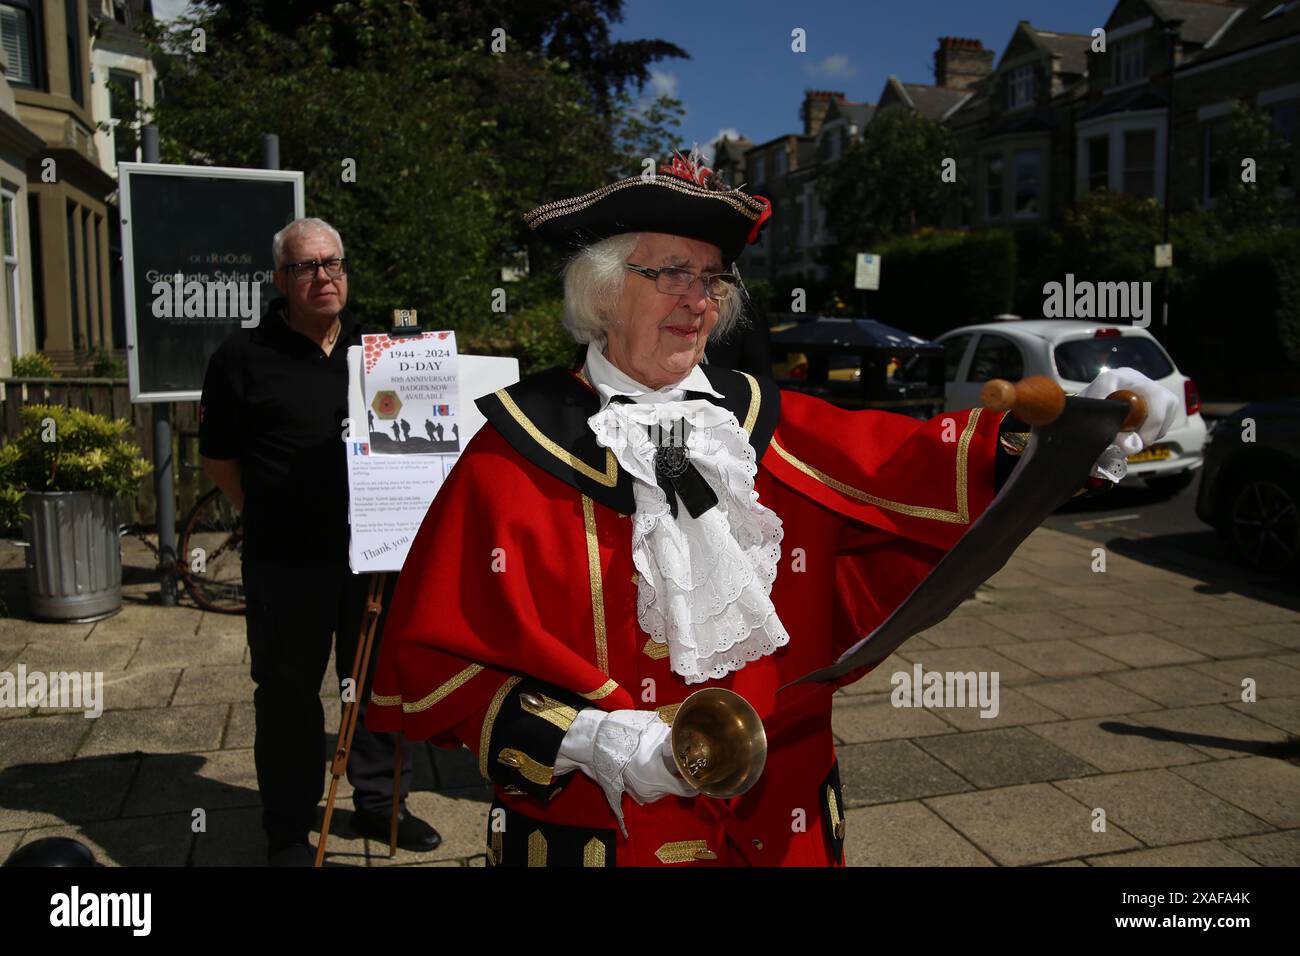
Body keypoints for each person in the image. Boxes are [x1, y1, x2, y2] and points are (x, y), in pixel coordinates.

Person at [366, 153, 1178, 866]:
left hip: (781, 825)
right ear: (604, 293)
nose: (698, 300)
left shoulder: (756, 421)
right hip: (601, 836)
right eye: (671, 274)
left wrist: (1062, 435)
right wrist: (600, 741)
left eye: (713, 278)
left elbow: (909, 463)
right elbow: (442, 665)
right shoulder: (517, 445)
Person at [199, 217, 441, 866]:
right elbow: (218, 459)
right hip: (285, 560)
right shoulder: (241, 356)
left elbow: (426, 433)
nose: (322, 278)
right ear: (281, 280)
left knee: (371, 682)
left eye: (332, 264)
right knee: (286, 694)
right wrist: (267, 508)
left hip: (376, 553)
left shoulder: (384, 349)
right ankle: (286, 827)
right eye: (306, 268)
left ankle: (381, 804)